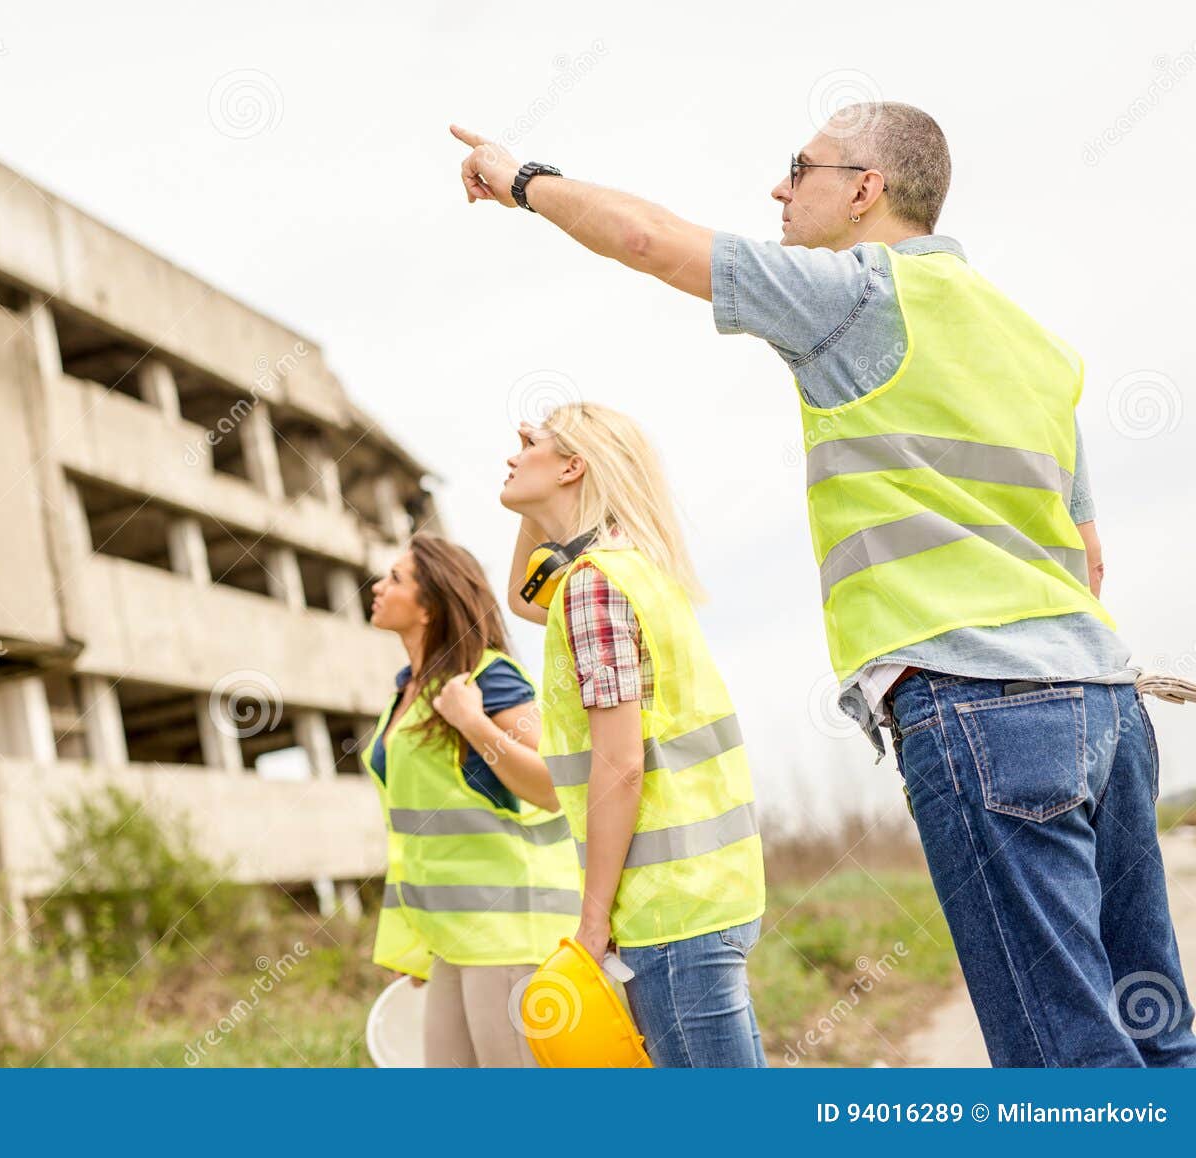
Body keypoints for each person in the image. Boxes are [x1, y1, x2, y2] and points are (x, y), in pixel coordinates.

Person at [450, 101, 1196, 1067]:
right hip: (1108, 708)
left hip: (984, 706)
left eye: (798, 167)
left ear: (865, 189)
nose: (778, 188)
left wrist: (520, 181)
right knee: (1157, 1034)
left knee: (1067, 1061)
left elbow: (646, 238)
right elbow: (1087, 557)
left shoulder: (854, 294)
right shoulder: (1037, 346)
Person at [501, 401, 766, 1067]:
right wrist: (541, 503)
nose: (510, 456)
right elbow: (522, 599)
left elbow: (618, 767)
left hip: (668, 911)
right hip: (712, 893)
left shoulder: (594, 587)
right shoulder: (630, 570)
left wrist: (593, 922)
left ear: (572, 464)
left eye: (529, 446)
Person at [364, 533, 581, 1067]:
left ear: (430, 605)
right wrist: (412, 946)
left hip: (509, 935)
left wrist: (472, 721)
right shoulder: (406, 691)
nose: (376, 587)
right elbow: (415, 840)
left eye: (395, 578)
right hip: (451, 940)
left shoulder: (490, 679)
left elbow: (554, 787)